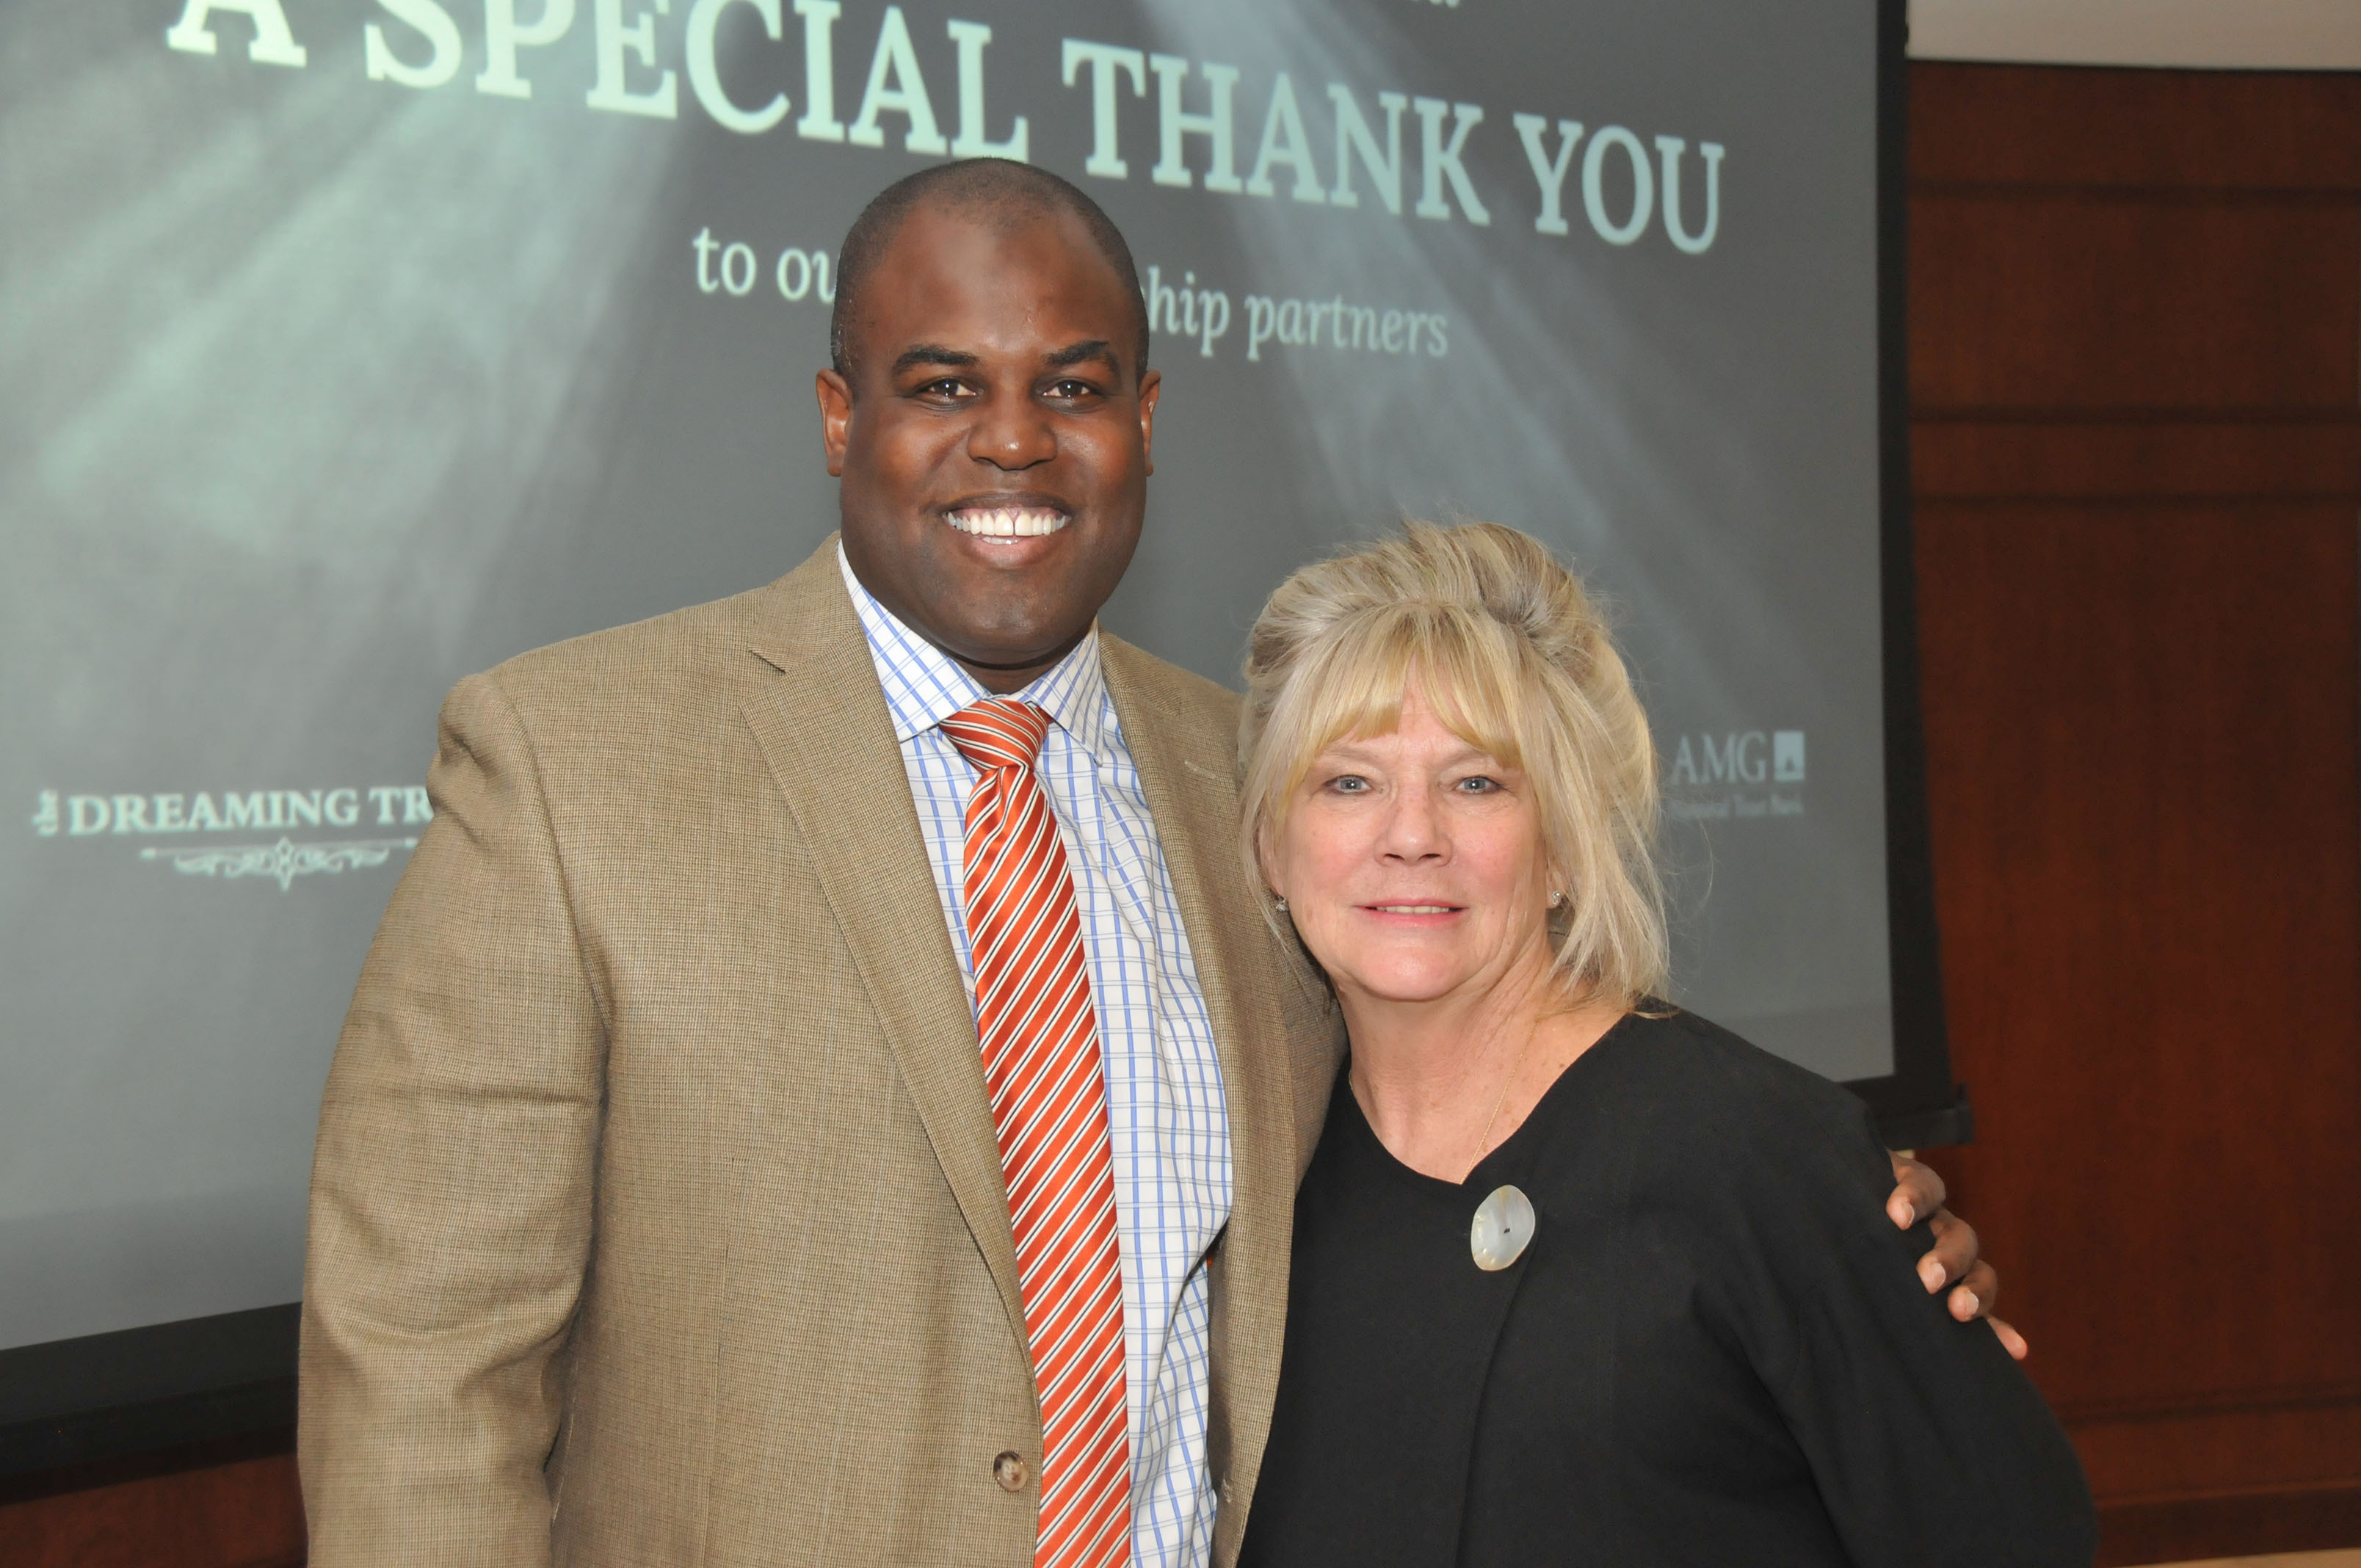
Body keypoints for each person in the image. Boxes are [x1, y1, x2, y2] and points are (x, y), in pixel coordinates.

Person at [298, 162, 2002, 1568]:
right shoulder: (568, 767)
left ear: (1147, 419)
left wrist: (1831, 1227)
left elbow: (1469, 1109)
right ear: (835, 416)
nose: (1016, 445)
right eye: (943, 385)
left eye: (1074, 386)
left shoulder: (1257, 788)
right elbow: (422, 1388)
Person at [1233, 521, 2095, 1567]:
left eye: (1477, 783)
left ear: (1561, 848)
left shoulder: (1763, 1151)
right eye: (1349, 782)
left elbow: (2011, 1538)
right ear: (1275, 848)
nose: (1411, 835)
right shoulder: (1250, 1188)